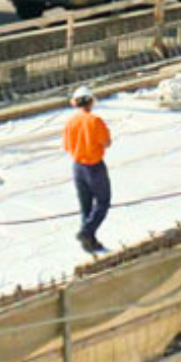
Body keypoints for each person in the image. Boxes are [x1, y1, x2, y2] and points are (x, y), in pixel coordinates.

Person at [63, 85, 112, 254]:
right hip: (94, 167)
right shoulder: (95, 121)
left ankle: (89, 242)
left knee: (86, 206)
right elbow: (106, 142)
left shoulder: (70, 123)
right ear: (91, 101)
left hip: (78, 167)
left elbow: (67, 146)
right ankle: (86, 232)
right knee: (103, 202)